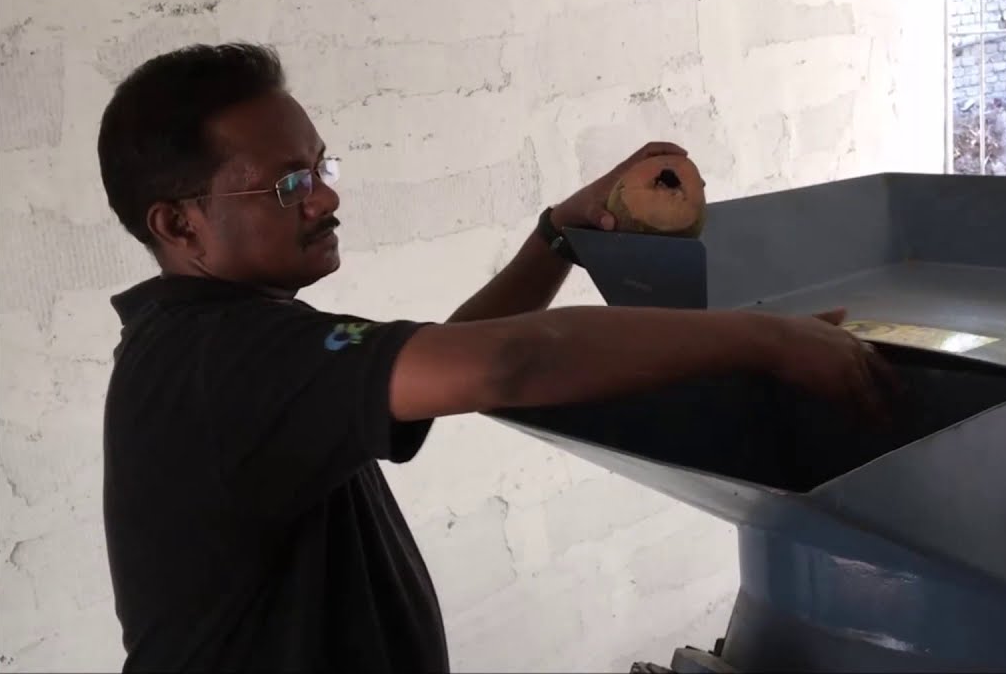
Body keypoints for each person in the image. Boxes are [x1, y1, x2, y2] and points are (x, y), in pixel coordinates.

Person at [97, 42, 892, 672]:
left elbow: (453, 355)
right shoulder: (218, 359)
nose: (326, 197)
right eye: (288, 185)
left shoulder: (226, 338)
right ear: (178, 225)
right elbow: (506, 365)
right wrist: (765, 340)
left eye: (322, 167)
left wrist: (556, 237)